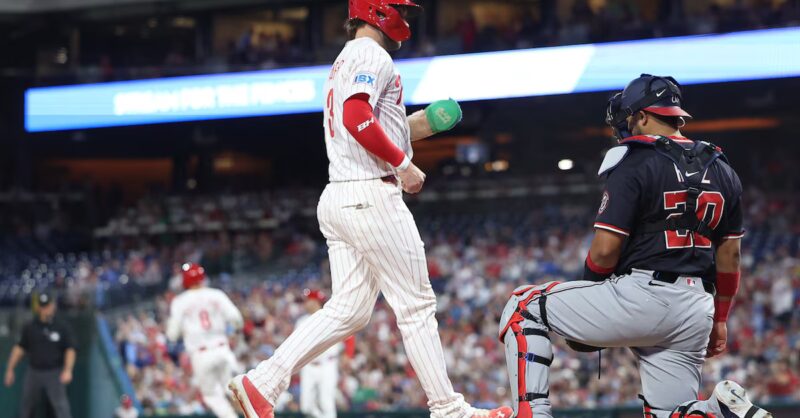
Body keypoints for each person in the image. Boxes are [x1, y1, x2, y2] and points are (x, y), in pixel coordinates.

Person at [227, 2, 512, 418]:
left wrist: (425, 123)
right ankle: (449, 410)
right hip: (369, 196)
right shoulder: (369, 53)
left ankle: (262, 383)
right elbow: (356, 115)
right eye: (400, 9)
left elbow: (369, 122)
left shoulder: (346, 58)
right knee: (416, 305)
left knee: (349, 310)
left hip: (342, 195)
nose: (407, 19)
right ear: (378, 12)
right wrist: (403, 164)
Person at [497, 74, 772, 418]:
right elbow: (729, 257)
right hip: (697, 309)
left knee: (524, 307)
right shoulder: (723, 169)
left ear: (643, 116)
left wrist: (591, 289)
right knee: (669, 413)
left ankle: (531, 415)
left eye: (629, 117)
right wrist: (720, 319)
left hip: (645, 293)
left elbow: (604, 251)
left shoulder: (635, 158)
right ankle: (719, 410)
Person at [166, 263, 243, 418]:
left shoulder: (180, 301)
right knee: (236, 391)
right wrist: (234, 333)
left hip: (201, 354)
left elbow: (172, 335)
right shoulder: (216, 294)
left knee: (212, 396)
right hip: (222, 349)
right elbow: (237, 319)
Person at [4, 292, 75, 418]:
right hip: (34, 372)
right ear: (38, 308)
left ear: (53, 306)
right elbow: (19, 348)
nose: (46, 309)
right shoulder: (30, 327)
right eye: (43, 306)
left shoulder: (61, 326)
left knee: (61, 407)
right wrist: (10, 369)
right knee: (27, 406)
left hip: (54, 372)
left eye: (48, 305)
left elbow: (70, 349)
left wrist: (68, 370)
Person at [299, 289, 341, 418]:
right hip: (308, 366)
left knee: (326, 403)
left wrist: (348, 355)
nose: (305, 303)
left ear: (315, 301)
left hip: (327, 364)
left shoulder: (330, 317)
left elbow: (348, 338)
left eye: (308, 300)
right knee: (305, 407)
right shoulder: (301, 321)